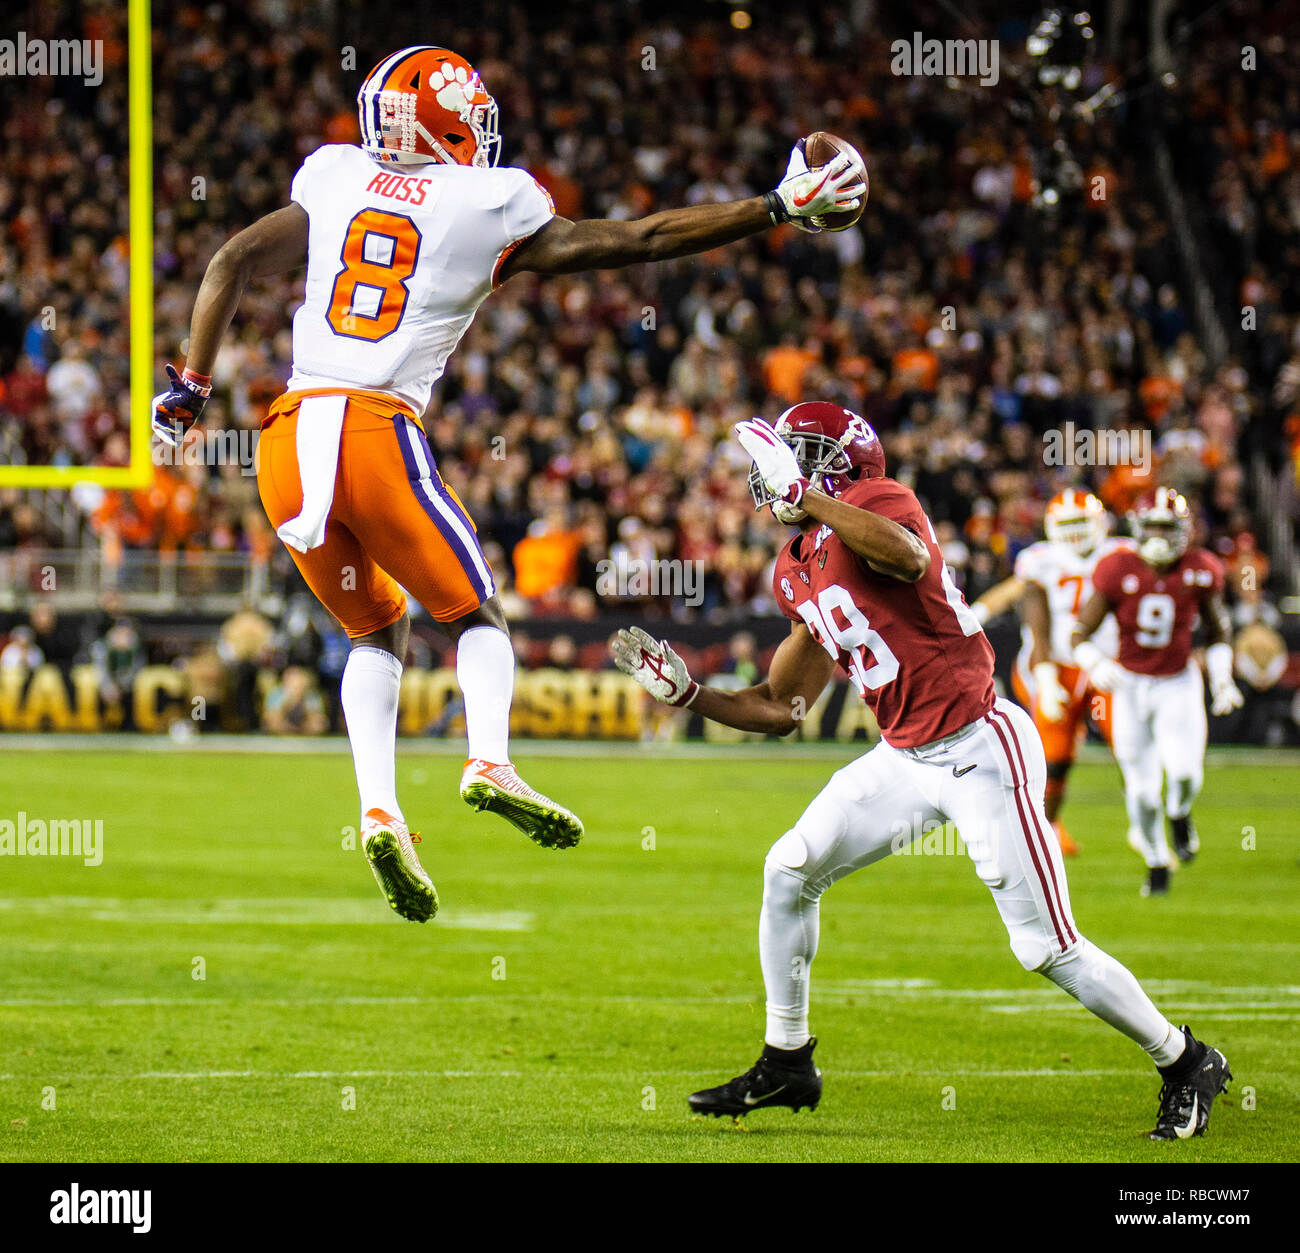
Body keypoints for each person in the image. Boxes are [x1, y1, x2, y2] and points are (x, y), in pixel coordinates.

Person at [152, 45, 865, 923]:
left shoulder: (333, 175)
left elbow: (227, 263)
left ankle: (380, 812)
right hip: (375, 429)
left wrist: (189, 387)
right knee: (476, 618)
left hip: (288, 440)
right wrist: (771, 207)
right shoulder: (484, 201)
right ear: (435, 120)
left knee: (377, 630)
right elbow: (636, 239)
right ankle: (488, 759)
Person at [614, 403, 1230, 1139]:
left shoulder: (879, 501)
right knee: (789, 868)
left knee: (1045, 946)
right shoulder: (795, 565)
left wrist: (808, 495)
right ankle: (786, 1059)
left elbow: (904, 558)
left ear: (840, 463)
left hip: (979, 747)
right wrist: (689, 694)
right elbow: (782, 706)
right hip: (905, 755)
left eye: (802, 454)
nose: (778, 469)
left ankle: (1186, 1057)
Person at [1071, 488, 1243, 895]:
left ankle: (1180, 812)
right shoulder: (1116, 568)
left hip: (1178, 682)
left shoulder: (1201, 567)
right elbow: (1080, 632)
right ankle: (1155, 859)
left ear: (1183, 530)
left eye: (1169, 528)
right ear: (1139, 528)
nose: (1162, 537)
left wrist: (1222, 678)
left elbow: (1219, 631)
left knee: (1184, 774)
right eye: (1154, 527)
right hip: (1129, 687)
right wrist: (1097, 664)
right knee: (1143, 792)